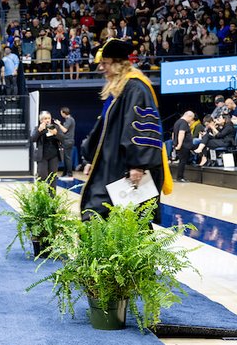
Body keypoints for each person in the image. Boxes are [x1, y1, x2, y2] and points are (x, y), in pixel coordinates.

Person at [79, 39, 172, 219]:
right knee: (107, 216)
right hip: (111, 164)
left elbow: (142, 129)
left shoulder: (136, 88)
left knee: (126, 220)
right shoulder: (119, 90)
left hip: (125, 167)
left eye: (105, 63)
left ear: (118, 64)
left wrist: (137, 164)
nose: (101, 68)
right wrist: (92, 157)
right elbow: (103, 127)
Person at [31, 111, 64, 181]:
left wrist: (56, 134)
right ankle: (41, 192)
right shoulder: (37, 128)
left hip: (54, 155)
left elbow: (63, 139)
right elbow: (33, 139)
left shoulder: (56, 127)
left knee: (52, 177)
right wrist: (39, 131)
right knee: (42, 175)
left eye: (49, 118)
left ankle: (52, 192)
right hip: (42, 156)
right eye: (45, 118)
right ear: (41, 120)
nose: (47, 120)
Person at [171, 111, 195, 182]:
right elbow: (181, 133)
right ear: (189, 116)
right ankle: (180, 177)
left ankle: (180, 176)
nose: (191, 120)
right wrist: (179, 144)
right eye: (192, 118)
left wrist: (174, 143)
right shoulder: (183, 123)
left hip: (180, 145)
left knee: (182, 161)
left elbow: (173, 134)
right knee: (182, 161)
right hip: (184, 146)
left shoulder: (177, 122)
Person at [56, 107, 75, 176]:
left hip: (68, 141)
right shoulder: (69, 120)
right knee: (66, 158)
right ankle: (65, 173)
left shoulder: (69, 120)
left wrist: (59, 124)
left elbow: (64, 130)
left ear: (64, 113)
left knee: (67, 158)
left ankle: (69, 173)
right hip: (67, 141)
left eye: (61, 113)